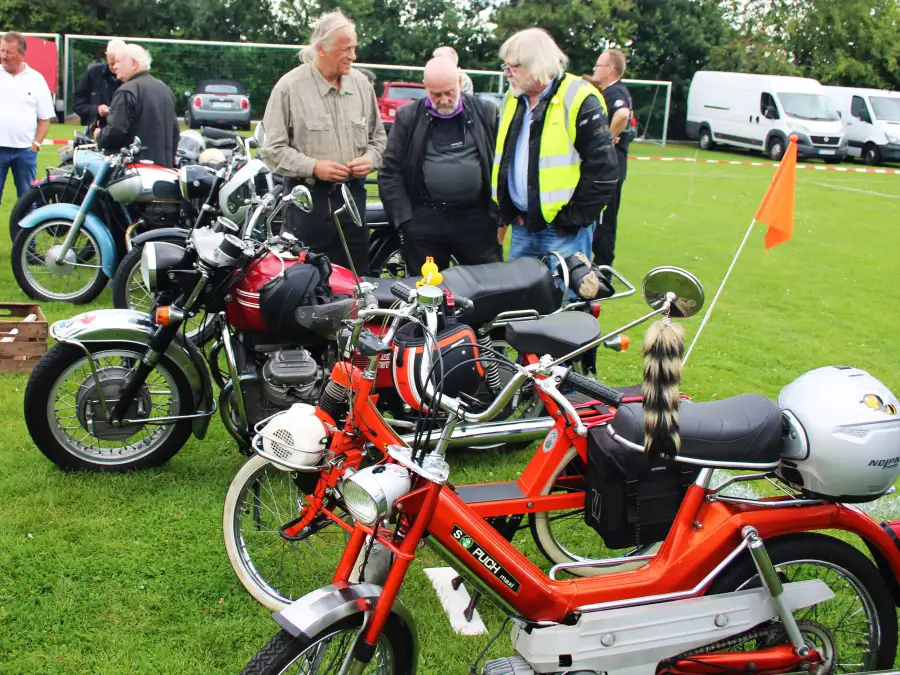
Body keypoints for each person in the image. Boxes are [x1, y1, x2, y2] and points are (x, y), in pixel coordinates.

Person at [262, 11, 386, 275]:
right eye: (345, 49)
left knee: (355, 281)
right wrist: (314, 167)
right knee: (304, 281)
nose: (353, 56)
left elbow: (379, 139)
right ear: (320, 48)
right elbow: (272, 150)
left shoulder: (362, 86)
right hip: (306, 204)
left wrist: (369, 159)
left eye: (354, 48)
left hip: (352, 201)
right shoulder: (289, 88)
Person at [491, 28, 619, 262]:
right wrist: (509, 209)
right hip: (523, 225)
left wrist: (571, 220)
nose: (507, 74)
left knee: (566, 287)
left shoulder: (579, 98)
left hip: (564, 233)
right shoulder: (512, 98)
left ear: (535, 64)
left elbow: (604, 170)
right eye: (505, 67)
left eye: (512, 67)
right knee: (521, 287)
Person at [379, 57, 500, 272]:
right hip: (425, 220)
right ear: (425, 87)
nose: (444, 100)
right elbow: (390, 170)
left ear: (460, 83)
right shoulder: (408, 117)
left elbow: (503, 163)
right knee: (427, 287)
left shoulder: (486, 112)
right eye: (436, 94)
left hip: (476, 219)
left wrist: (498, 213)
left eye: (449, 92)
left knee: (487, 283)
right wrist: (404, 219)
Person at [94, 44, 179, 168]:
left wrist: (99, 136)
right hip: (163, 169)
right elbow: (174, 132)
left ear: (134, 63)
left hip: (134, 170)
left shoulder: (127, 91)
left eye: (118, 61)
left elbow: (115, 131)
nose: (114, 66)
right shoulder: (165, 89)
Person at [590, 49, 633, 269]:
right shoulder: (604, 92)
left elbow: (623, 114)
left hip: (610, 169)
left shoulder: (615, 92)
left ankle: (603, 271)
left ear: (610, 69)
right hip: (602, 169)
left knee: (604, 223)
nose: (594, 69)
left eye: (598, 65)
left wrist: (605, 140)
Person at [0, 31, 54, 206]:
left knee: (28, 202)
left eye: (9, 52)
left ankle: (27, 226)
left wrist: (35, 146)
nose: (4, 56)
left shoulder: (36, 79)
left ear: (22, 54)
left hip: (25, 152)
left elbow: (45, 117)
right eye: (2, 51)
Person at [73, 39, 126, 129]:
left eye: (118, 62)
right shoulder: (93, 74)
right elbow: (77, 105)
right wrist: (96, 109)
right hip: (96, 127)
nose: (114, 67)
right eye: (112, 63)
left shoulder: (132, 77)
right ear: (106, 55)